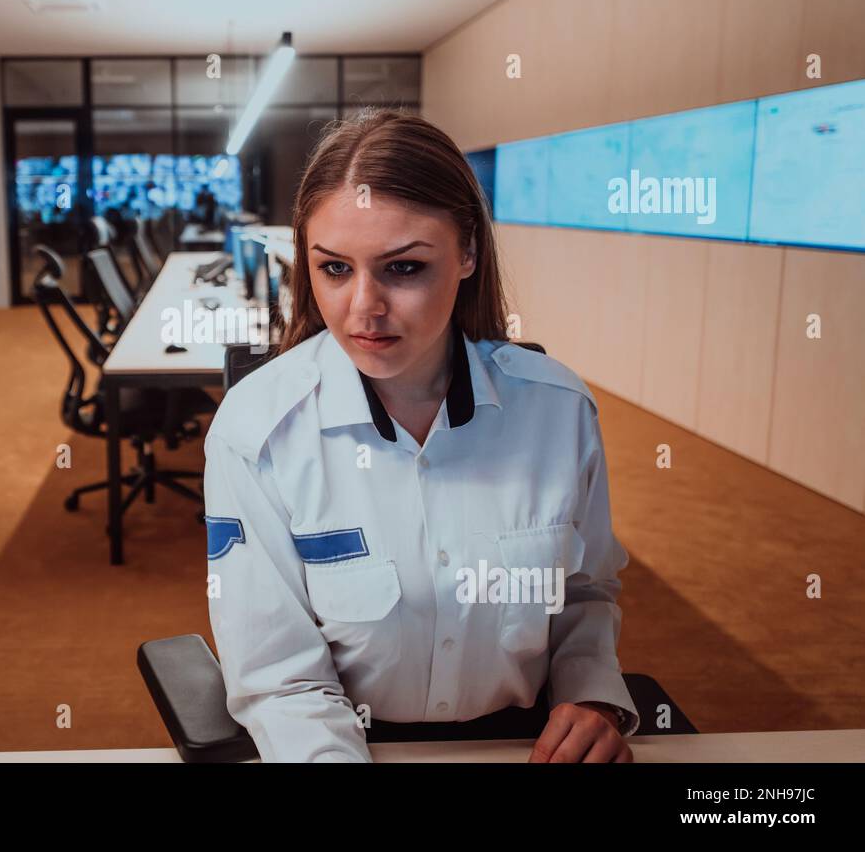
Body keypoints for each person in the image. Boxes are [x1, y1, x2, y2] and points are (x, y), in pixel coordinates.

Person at [204, 109, 637, 763]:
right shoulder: (255, 432)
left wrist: (591, 696)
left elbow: (584, 591)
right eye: (335, 270)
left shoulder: (558, 411)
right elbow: (280, 680)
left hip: (521, 747)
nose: (363, 309)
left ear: (466, 252)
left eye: (403, 269)